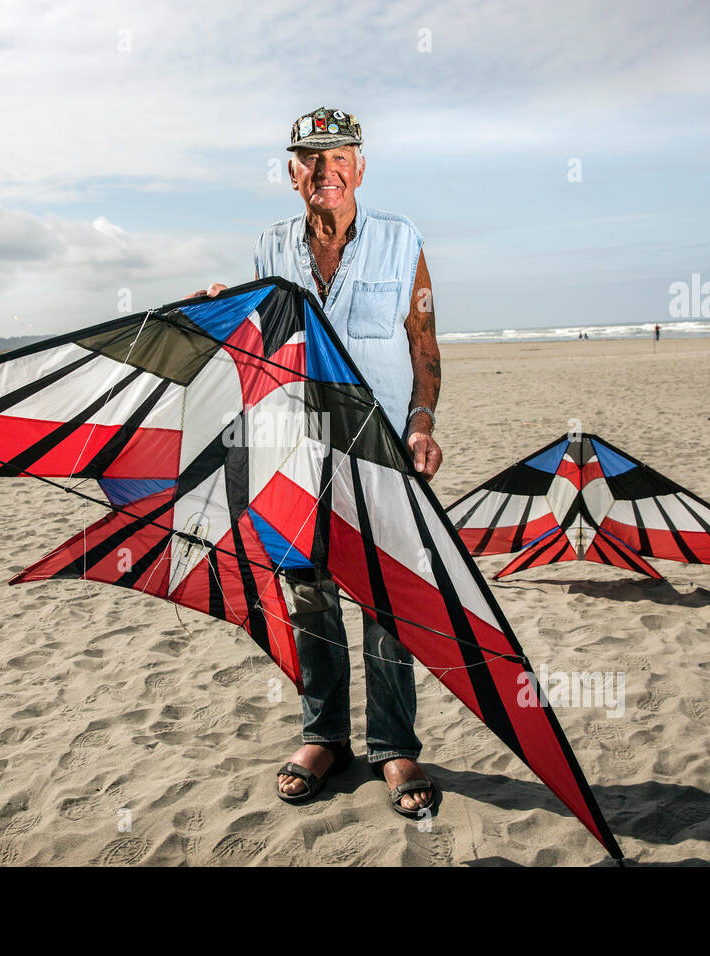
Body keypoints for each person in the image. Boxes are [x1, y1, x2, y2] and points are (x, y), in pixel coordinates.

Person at [190, 107, 440, 818]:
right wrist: (222, 309)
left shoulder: (402, 241)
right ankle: (325, 735)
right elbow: (264, 342)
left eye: (339, 158)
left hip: (384, 452)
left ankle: (394, 745)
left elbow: (424, 344)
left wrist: (421, 425)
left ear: (360, 167)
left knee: (386, 601)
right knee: (307, 592)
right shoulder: (270, 246)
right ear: (292, 173)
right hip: (295, 452)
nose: (324, 171)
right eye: (310, 159)